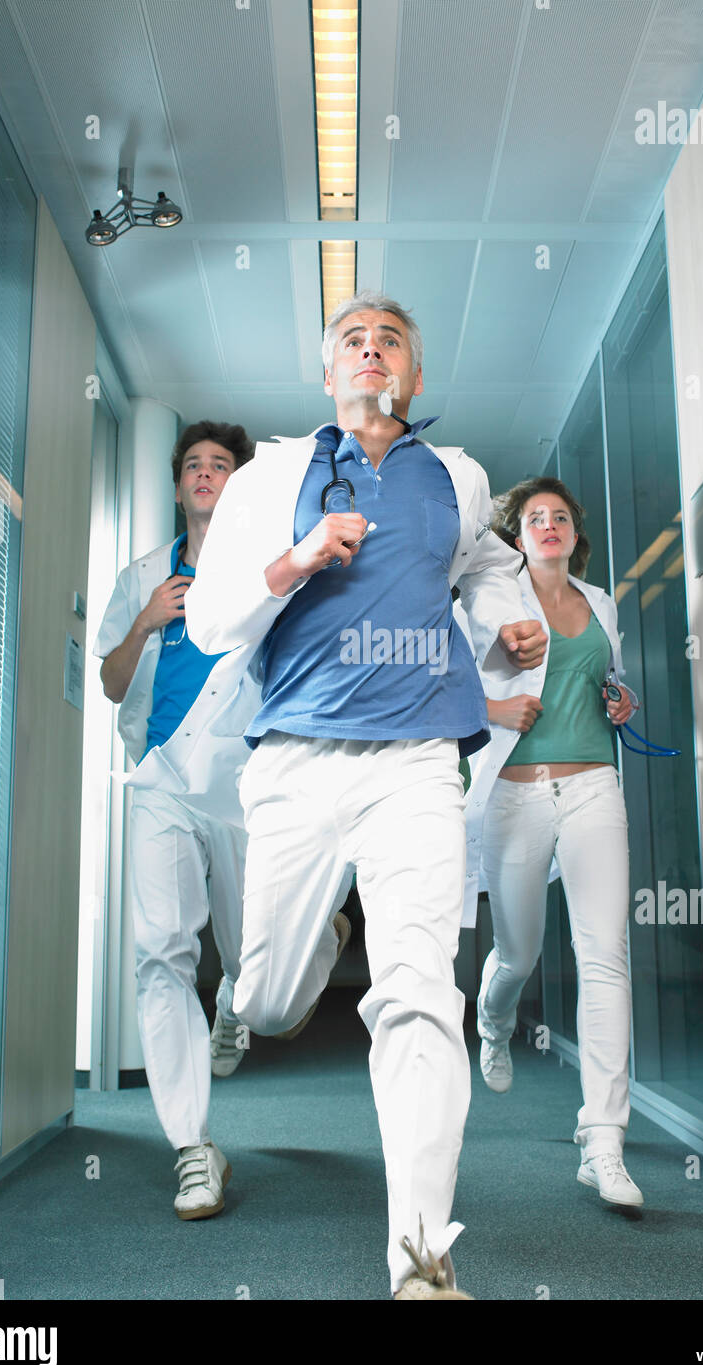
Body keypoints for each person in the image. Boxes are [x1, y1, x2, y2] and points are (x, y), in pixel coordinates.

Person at [184, 291, 545, 1299]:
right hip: (297, 761)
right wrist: (298, 558)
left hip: (421, 758)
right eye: (354, 339)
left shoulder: (458, 477)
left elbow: (488, 568)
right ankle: (248, 998)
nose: (372, 350)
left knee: (422, 993)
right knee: (268, 992)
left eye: (391, 340)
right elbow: (213, 620)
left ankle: (421, 1257)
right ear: (328, 370)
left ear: (415, 376)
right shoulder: (272, 474)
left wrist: (510, 624)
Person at [94, 420, 261, 1220]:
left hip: (240, 785)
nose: (203, 473)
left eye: (219, 464)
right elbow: (110, 684)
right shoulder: (142, 576)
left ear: (238, 484)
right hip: (160, 778)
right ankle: (193, 1147)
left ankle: (236, 1004)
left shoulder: (267, 572)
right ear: (176, 485)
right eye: (192, 464)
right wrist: (143, 622)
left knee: (257, 967)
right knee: (158, 952)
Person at [463, 478, 645, 1208]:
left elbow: (611, 682)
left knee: (604, 956)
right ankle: (493, 1017)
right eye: (533, 518)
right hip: (515, 791)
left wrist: (622, 700)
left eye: (559, 517)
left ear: (574, 533)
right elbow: (440, 687)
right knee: (520, 952)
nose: (547, 526)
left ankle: (602, 1139)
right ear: (515, 536)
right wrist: (493, 706)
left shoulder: (600, 602)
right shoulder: (488, 599)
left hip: (594, 785)